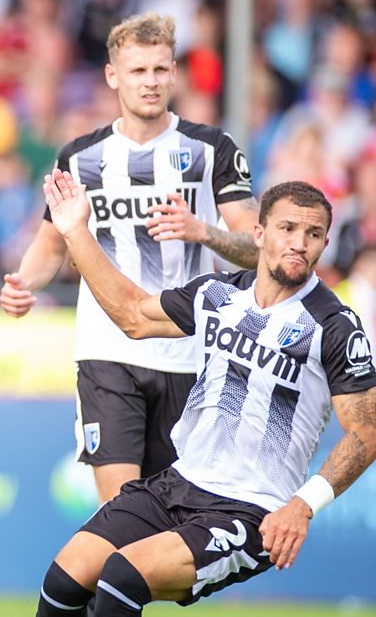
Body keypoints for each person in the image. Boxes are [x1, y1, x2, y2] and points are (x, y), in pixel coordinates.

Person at [35, 175, 376, 615]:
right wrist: (75, 232)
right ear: (259, 233)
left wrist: (303, 506)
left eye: (313, 234)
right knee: (63, 581)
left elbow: (366, 431)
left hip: (250, 510)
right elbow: (133, 315)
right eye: (287, 228)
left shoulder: (334, 325)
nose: (299, 243)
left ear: (325, 244)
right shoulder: (218, 294)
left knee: (122, 576)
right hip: (177, 483)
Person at [0, 13, 261, 504]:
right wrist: (22, 283)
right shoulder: (79, 158)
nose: (150, 82)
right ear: (112, 76)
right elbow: (51, 244)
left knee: (178, 515)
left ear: (175, 74)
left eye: (160, 69)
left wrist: (201, 231)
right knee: (120, 508)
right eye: (138, 70)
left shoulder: (211, 149)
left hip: (190, 352)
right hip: (108, 352)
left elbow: (256, 244)